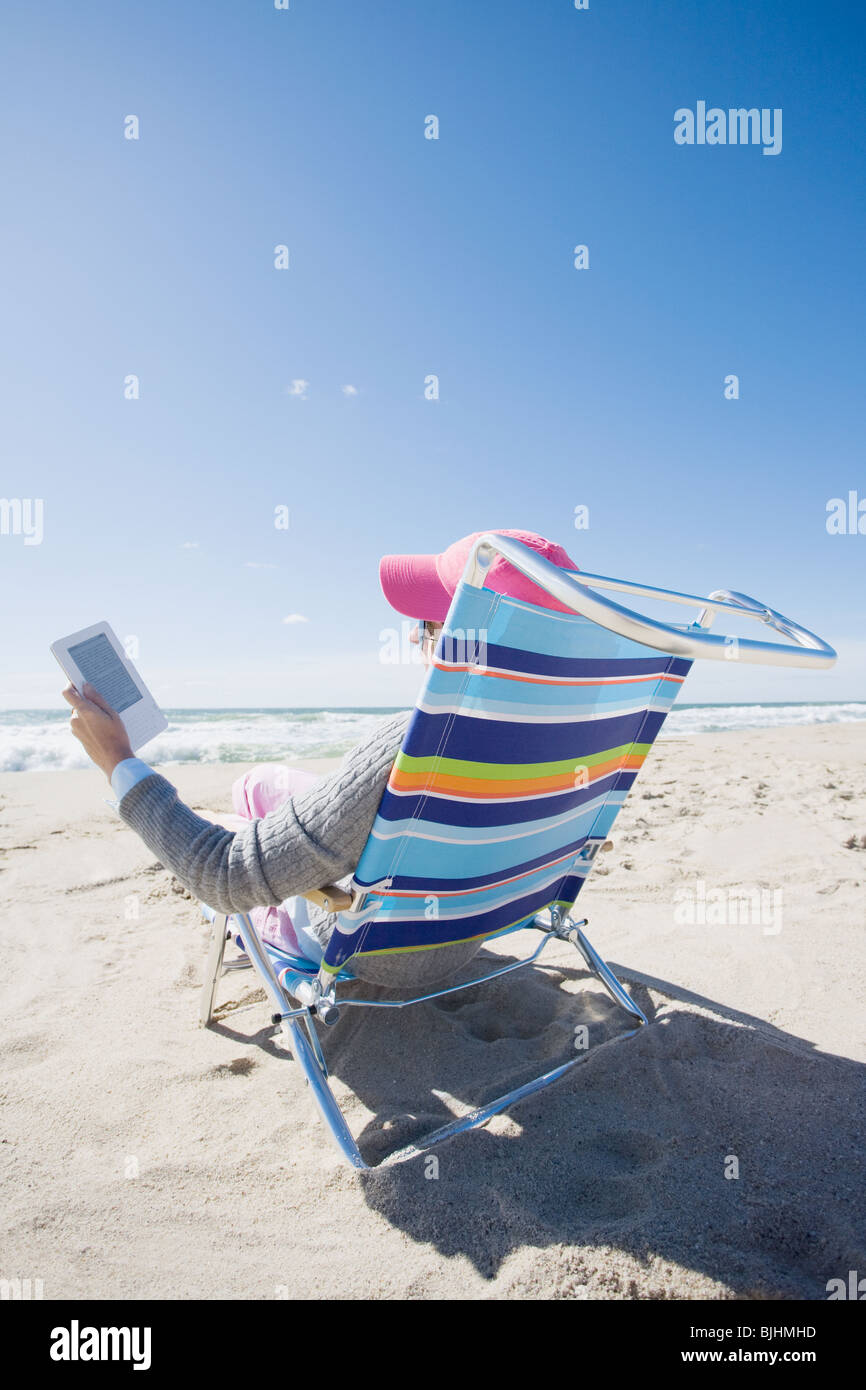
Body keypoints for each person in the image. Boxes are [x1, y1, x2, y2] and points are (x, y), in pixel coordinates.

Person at [63, 529, 580, 983]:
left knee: (227, 844)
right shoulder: (580, 736)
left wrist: (117, 758)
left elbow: (223, 876)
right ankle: (264, 829)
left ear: (459, 640)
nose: (414, 637)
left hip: (378, 951)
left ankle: (255, 866)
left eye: (426, 623)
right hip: (470, 931)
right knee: (258, 784)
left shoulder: (421, 745)